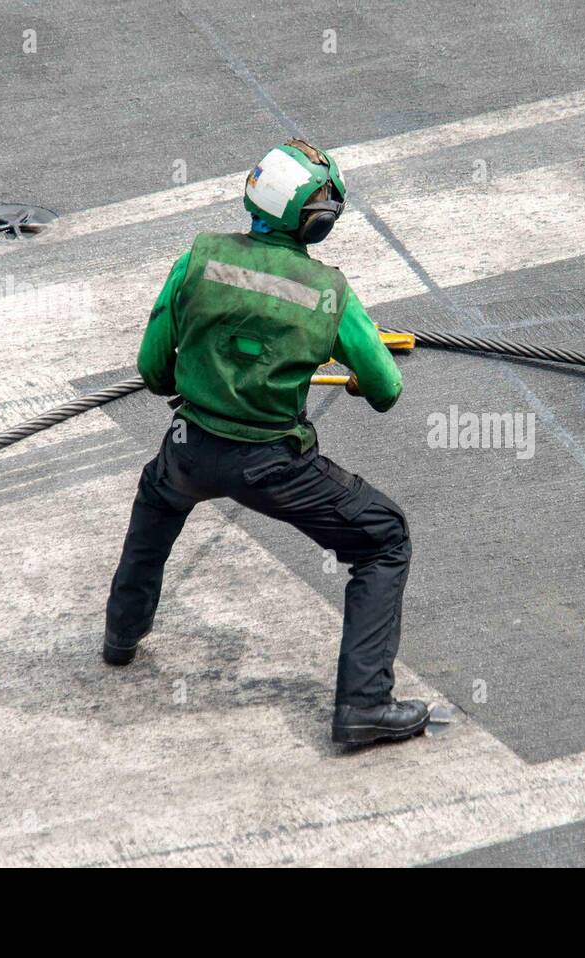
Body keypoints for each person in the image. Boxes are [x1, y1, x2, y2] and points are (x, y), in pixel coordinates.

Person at [103, 138, 428, 745]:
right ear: (317, 221)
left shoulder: (199, 259)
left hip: (189, 446)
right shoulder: (329, 293)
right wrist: (358, 370)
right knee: (384, 538)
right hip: (274, 468)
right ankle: (363, 706)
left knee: (157, 502)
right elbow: (386, 388)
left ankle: (121, 635)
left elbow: (152, 371)